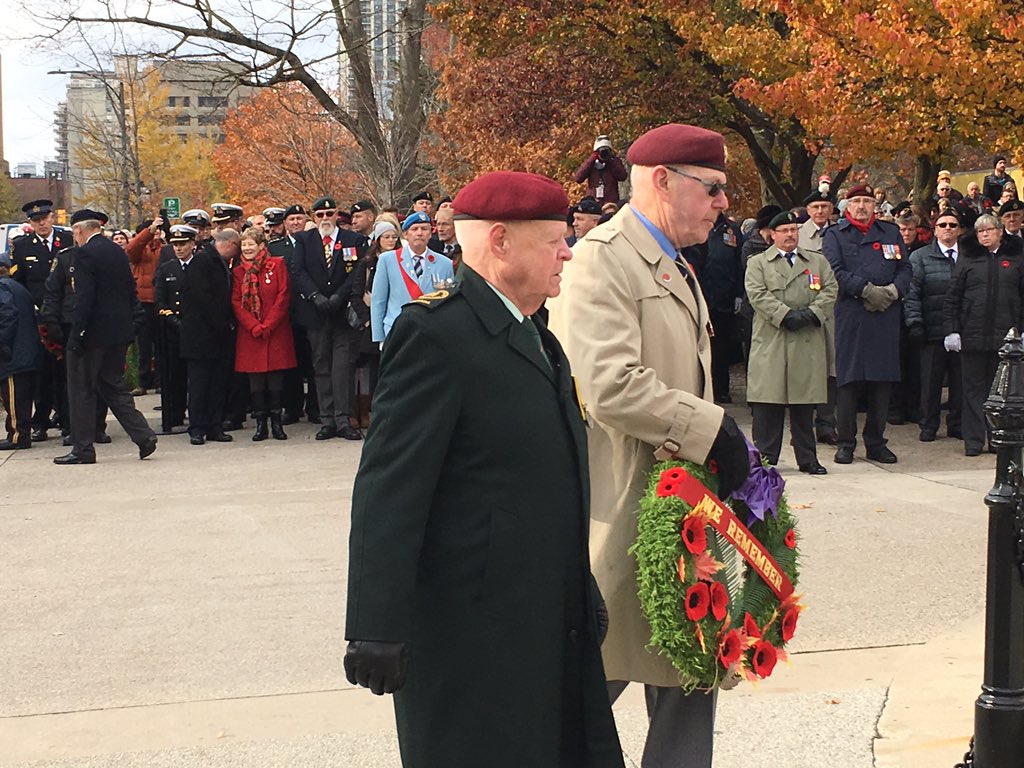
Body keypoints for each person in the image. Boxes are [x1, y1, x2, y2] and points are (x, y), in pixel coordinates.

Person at [344, 170, 625, 768]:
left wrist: (579, 583)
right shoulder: (436, 334)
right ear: (499, 240)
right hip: (472, 627)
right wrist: (375, 624)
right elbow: (391, 485)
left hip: (543, 612)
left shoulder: (536, 336)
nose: (567, 251)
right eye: (555, 239)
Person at [549, 123, 751, 768]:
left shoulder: (670, 258)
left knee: (692, 667)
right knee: (587, 679)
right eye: (713, 188)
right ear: (662, 181)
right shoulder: (601, 259)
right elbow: (606, 383)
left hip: (681, 505)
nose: (724, 203)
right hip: (624, 503)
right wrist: (711, 429)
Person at [53, 210, 158, 465]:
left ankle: (83, 449)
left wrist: (77, 334)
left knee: (81, 391)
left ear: (79, 230)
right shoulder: (115, 251)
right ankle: (144, 436)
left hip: (92, 336)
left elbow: (84, 298)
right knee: (114, 386)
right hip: (118, 333)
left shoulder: (85, 254)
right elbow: (128, 290)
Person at [824, 184, 911, 465]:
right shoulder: (835, 235)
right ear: (846, 206)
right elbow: (834, 271)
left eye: (867, 201)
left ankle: (876, 442)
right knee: (849, 382)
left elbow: (905, 268)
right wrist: (865, 290)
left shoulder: (890, 232)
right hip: (853, 314)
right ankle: (846, 443)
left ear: (875, 205)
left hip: (885, 315)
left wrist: (894, 291)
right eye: (856, 201)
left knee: (882, 382)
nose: (862, 206)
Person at [746, 211, 837, 473]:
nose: (790, 235)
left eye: (794, 230)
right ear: (772, 234)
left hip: (806, 339)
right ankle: (765, 459)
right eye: (784, 230)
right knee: (768, 403)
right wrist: (784, 315)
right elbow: (757, 294)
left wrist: (812, 314)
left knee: (804, 405)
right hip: (772, 340)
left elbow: (830, 290)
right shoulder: (759, 263)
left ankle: (808, 458)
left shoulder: (817, 262)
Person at [943, 213, 1024, 456]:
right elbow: (953, 297)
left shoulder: (1015, 258)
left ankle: (997, 440)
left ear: (1000, 231)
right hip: (972, 336)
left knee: (1001, 393)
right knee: (972, 392)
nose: (985, 235)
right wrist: (952, 330)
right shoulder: (968, 259)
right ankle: (973, 441)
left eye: (989, 230)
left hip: (1005, 340)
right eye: (980, 231)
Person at [290, 196, 366, 440]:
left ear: (337, 216)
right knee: (321, 366)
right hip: (316, 313)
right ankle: (327, 420)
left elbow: (356, 272)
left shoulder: (352, 240)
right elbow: (297, 271)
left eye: (330, 214)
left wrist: (338, 297)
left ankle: (344, 420)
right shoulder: (304, 240)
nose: (325, 219)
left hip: (343, 313)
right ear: (314, 217)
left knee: (343, 368)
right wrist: (315, 296)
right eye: (320, 215)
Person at [9, 199, 72, 442]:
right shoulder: (23, 247)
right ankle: (41, 421)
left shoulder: (66, 241)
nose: (41, 223)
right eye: (36, 220)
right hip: (39, 319)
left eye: (45, 218)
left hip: (65, 316)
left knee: (66, 372)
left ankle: (68, 420)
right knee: (42, 373)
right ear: (30, 223)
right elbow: (19, 283)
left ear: (53, 218)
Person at [231, 227, 296, 441]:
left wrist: (269, 324)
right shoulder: (238, 271)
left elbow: (283, 295)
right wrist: (253, 325)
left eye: (251, 243)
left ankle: (277, 423)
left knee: (276, 379)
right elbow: (236, 302)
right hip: (251, 334)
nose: (247, 248)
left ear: (261, 246)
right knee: (256, 382)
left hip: (275, 331)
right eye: (244, 244)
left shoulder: (277, 265)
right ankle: (261, 424)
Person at [905, 209, 963, 443]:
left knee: (960, 383)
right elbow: (911, 293)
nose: (947, 228)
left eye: (952, 224)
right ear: (935, 230)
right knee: (930, 383)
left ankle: (957, 424)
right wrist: (915, 323)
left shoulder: (969, 256)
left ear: (959, 229)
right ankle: (928, 425)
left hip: (961, 331)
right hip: (930, 330)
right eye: (942, 225)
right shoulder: (920, 257)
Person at [179, 228, 236, 446]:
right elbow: (202, 297)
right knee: (200, 384)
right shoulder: (203, 261)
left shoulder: (215, 261)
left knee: (217, 383)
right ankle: (197, 427)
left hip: (216, 335)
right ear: (229, 244)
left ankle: (214, 425)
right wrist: (221, 323)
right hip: (201, 334)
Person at [370, 211, 455, 345]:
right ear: (405, 234)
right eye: (414, 229)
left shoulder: (445, 263)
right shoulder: (388, 260)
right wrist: (379, 338)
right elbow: (378, 301)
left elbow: (449, 305)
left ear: (430, 233)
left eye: (424, 229)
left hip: (431, 334)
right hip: (396, 332)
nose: (420, 233)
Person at [799, 191, 839, 444]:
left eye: (825, 206)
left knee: (831, 367)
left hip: (835, 307)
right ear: (808, 209)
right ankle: (801, 425)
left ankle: (826, 423)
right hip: (805, 307)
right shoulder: (797, 233)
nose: (820, 211)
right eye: (815, 206)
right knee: (806, 366)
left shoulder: (840, 232)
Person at [349, 221, 398, 425]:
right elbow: (356, 294)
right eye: (386, 237)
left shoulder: (401, 260)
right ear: (378, 239)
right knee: (370, 370)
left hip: (395, 319)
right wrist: (368, 319)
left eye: (394, 237)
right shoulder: (367, 262)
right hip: (371, 322)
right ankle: (367, 409)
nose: (390, 241)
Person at [153, 225, 196, 434]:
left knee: (195, 376)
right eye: (175, 245)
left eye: (183, 244)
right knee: (174, 376)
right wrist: (173, 320)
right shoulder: (166, 268)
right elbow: (160, 300)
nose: (179, 248)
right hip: (172, 330)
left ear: (192, 244)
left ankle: (197, 415)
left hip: (196, 329)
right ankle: (174, 415)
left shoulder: (200, 265)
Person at [0, 254, 43, 450]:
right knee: (21, 397)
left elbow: (8, 315)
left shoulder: (3, 287)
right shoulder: (16, 287)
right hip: (25, 351)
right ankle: (18, 432)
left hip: (13, 353)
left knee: (14, 397)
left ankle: (18, 435)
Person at [126, 214, 167, 396]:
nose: (156, 235)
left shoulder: (164, 249)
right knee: (144, 345)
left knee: (161, 344)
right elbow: (131, 249)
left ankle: (160, 380)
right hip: (143, 301)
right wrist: (148, 232)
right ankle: (143, 381)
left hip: (159, 300)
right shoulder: (140, 251)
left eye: (158, 232)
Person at [574, 135, 627, 205]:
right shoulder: (591, 163)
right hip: (593, 203)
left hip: (611, 203)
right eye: (601, 151)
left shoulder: (614, 161)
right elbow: (578, 178)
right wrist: (592, 159)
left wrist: (611, 160)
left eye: (606, 150)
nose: (604, 153)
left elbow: (622, 176)